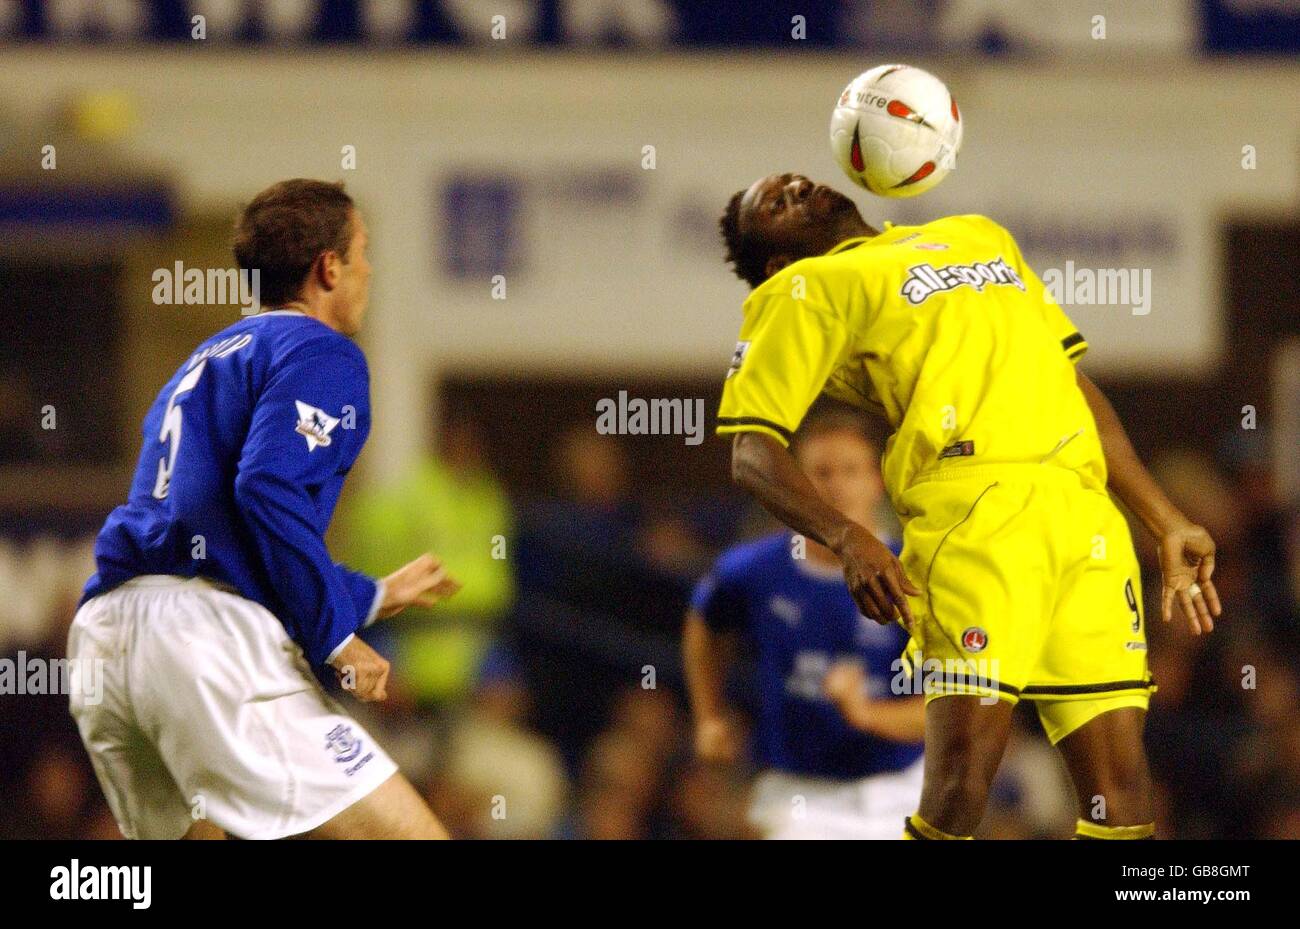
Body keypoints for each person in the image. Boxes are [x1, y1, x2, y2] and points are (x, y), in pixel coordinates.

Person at [714, 173, 1222, 840]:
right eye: (777, 204)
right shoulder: (801, 289)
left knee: (1124, 794)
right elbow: (753, 450)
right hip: (975, 514)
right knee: (962, 778)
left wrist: (1165, 518)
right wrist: (850, 538)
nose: (798, 188)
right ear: (777, 259)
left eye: (794, 181)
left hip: (1081, 512)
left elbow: (1070, 384)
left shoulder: (977, 234)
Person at [67, 180, 460, 840]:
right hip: (203, 641)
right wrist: (338, 637)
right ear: (328, 267)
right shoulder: (320, 351)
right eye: (363, 251)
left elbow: (209, 524)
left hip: (108, 638)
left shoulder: (201, 361)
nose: (369, 269)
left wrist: (366, 595)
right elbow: (266, 488)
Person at [684, 408, 925, 838]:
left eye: (851, 471)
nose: (836, 487)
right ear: (795, 487)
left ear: (878, 481)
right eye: (820, 473)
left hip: (899, 790)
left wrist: (868, 714)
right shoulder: (753, 570)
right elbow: (705, 622)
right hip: (794, 794)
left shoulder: (916, 575)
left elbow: (947, 708)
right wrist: (708, 715)